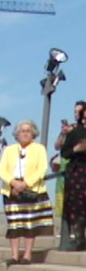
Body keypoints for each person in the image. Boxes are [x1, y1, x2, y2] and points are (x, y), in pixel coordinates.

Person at [0, 121, 52, 264]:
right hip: (12, 190)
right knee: (14, 223)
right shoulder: (9, 150)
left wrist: (25, 183)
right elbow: (1, 170)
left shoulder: (39, 149)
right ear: (17, 134)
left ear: (33, 133)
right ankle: (15, 255)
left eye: (28, 130)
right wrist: (13, 183)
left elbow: (42, 169)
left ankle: (27, 255)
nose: (25, 133)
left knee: (29, 223)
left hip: (32, 189)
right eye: (22, 131)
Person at [59, 102, 86, 251]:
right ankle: (80, 238)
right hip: (78, 172)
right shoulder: (75, 133)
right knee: (78, 205)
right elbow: (64, 153)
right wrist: (76, 149)